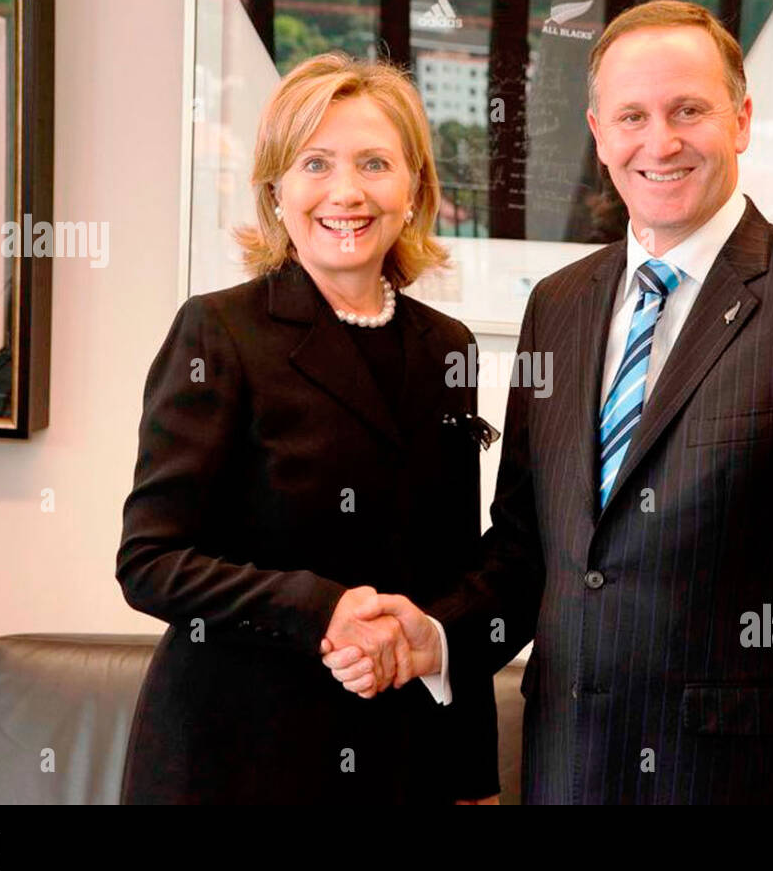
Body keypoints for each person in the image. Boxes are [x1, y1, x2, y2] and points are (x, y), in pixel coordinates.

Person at [324, 0, 773, 804]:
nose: (661, 142)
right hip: (567, 774)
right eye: (632, 116)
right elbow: (524, 555)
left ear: (743, 119)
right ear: (598, 132)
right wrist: (436, 636)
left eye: (689, 110)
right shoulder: (559, 304)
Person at [117, 52, 499, 804]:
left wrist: (472, 774)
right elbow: (150, 562)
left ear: (415, 186)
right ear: (277, 189)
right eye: (315, 164)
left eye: (374, 163)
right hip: (233, 755)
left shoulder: (448, 347)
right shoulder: (218, 332)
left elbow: (459, 578)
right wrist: (321, 607)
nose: (347, 192)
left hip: (396, 758)